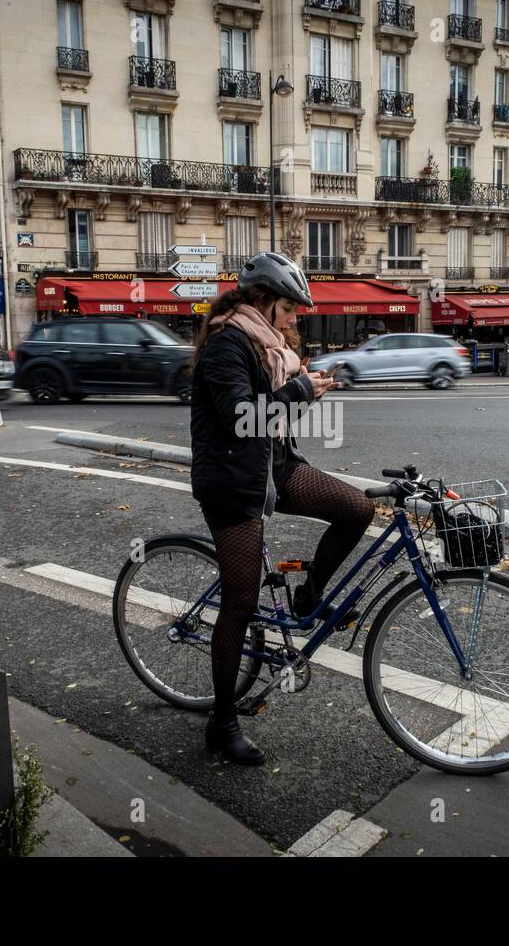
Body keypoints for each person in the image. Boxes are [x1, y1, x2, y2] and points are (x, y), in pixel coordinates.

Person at [189, 252, 375, 765]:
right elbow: (238, 416)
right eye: (291, 310)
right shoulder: (228, 344)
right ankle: (221, 723)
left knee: (357, 509)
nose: (295, 320)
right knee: (242, 601)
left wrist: (306, 391)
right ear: (267, 303)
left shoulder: (266, 344)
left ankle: (308, 595)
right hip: (231, 484)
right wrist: (298, 389)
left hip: (272, 467)